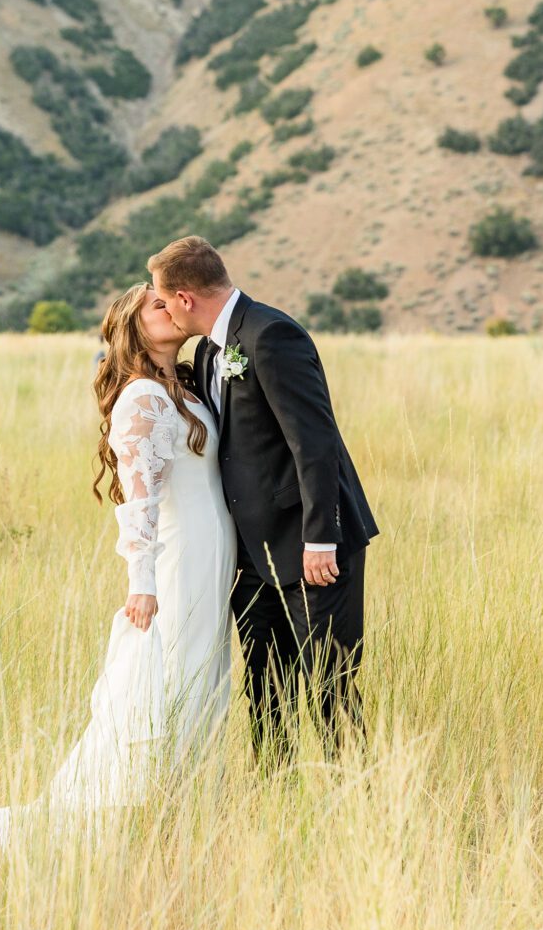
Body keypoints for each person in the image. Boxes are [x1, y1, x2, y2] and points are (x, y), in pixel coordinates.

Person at [0, 282, 234, 854]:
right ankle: (125, 820)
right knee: (168, 687)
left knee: (202, 685)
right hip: (176, 563)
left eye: (170, 299)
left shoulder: (186, 388)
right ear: (132, 326)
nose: (168, 307)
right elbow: (136, 501)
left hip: (211, 562)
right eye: (155, 304)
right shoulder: (140, 397)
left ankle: (183, 821)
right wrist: (141, 584)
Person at [148, 234, 378, 760]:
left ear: (185, 298)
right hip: (253, 557)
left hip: (311, 547)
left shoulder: (272, 335)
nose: (163, 310)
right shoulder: (209, 351)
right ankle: (274, 798)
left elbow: (315, 442)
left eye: (163, 299)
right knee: (266, 694)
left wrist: (322, 538)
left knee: (330, 688)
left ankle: (358, 807)